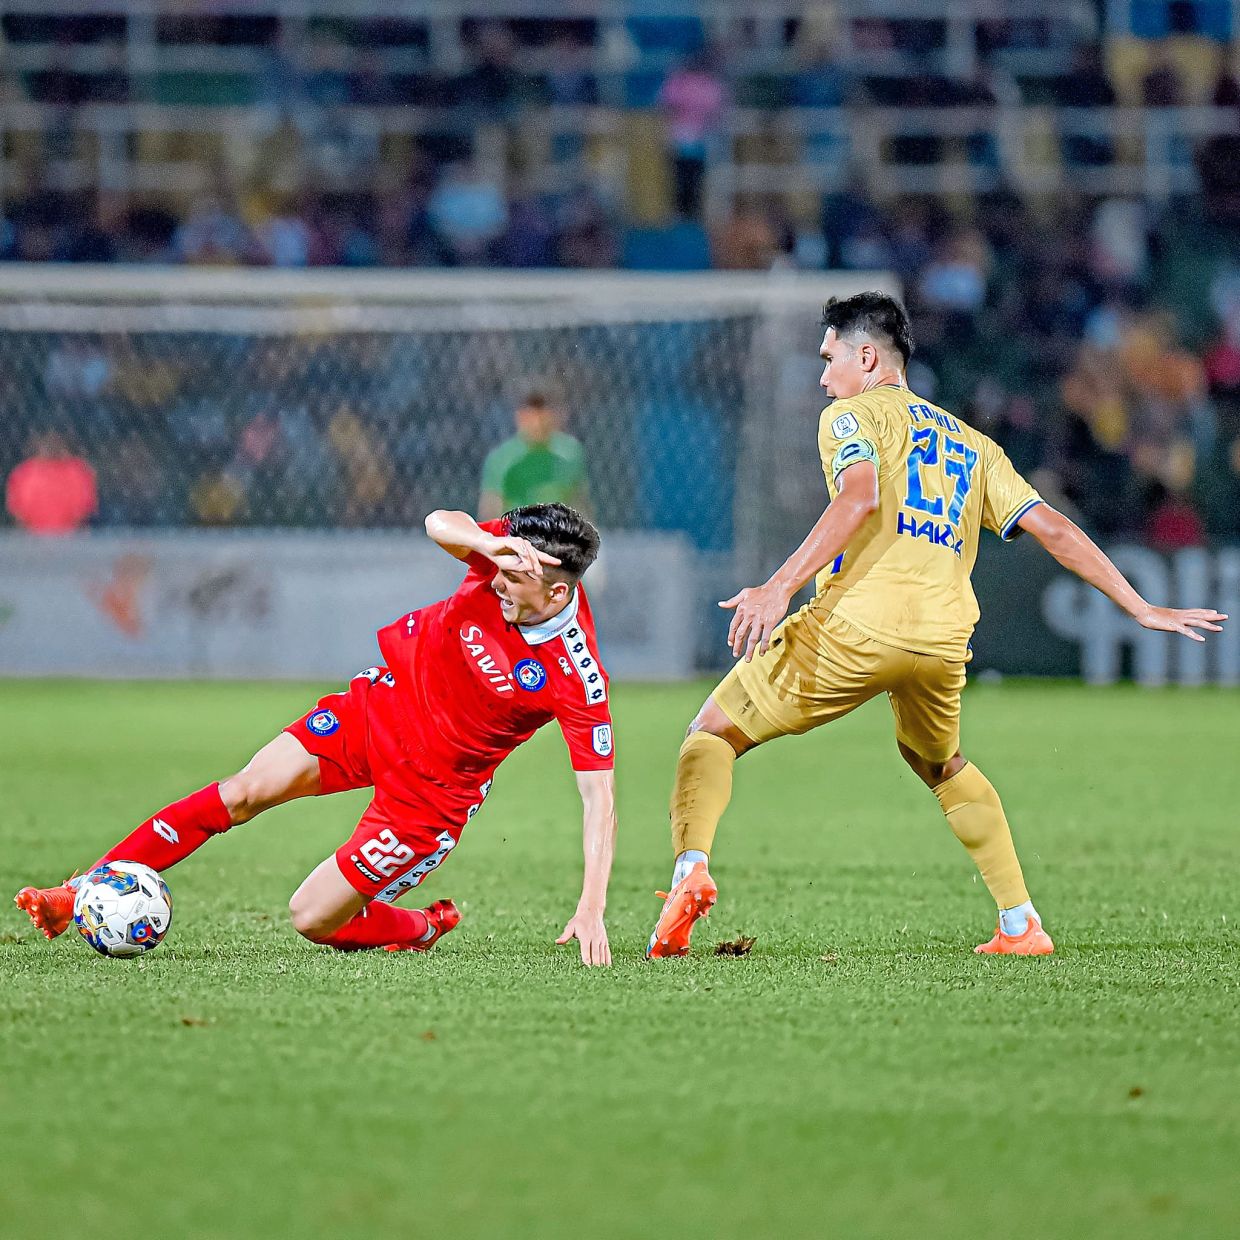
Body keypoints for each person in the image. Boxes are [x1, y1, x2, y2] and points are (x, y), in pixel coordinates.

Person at [647, 292, 1226, 960]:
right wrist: (1139, 606)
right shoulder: (972, 444)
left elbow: (860, 495)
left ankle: (690, 873)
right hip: (943, 642)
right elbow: (1054, 527)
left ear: (867, 357)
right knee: (941, 763)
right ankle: (1021, 924)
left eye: (830, 357)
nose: (823, 375)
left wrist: (778, 586)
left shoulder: (849, 416)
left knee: (710, 736)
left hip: (854, 629)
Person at [16, 504, 617, 966]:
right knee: (247, 788)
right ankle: (80, 892)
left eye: (514, 578)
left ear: (557, 591)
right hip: (381, 705)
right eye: (501, 569)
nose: (498, 581)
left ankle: (422, 926)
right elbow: (440, 521)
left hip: (432, 790)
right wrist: (490, 544)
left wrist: (592, 902)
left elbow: (599, 799)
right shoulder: (504, 553)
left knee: (311, 917)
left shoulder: (576, 674)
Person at [479, 387, 589, 521]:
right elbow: (491, 509)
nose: (537, 424)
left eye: (542, 416)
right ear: (520, 418)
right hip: (517, 532)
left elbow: (580, 501)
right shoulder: (502, 459)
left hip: (559, 532)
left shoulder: (570, 453)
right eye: (531, 417)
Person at [4, 430, 96, 535]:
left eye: (57, 437)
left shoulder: (79, 471)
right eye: (46, 437)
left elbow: (82, 517)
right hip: (32, 542)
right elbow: (18, 517)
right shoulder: (23, 473)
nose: (52, 441)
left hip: (71, 542)